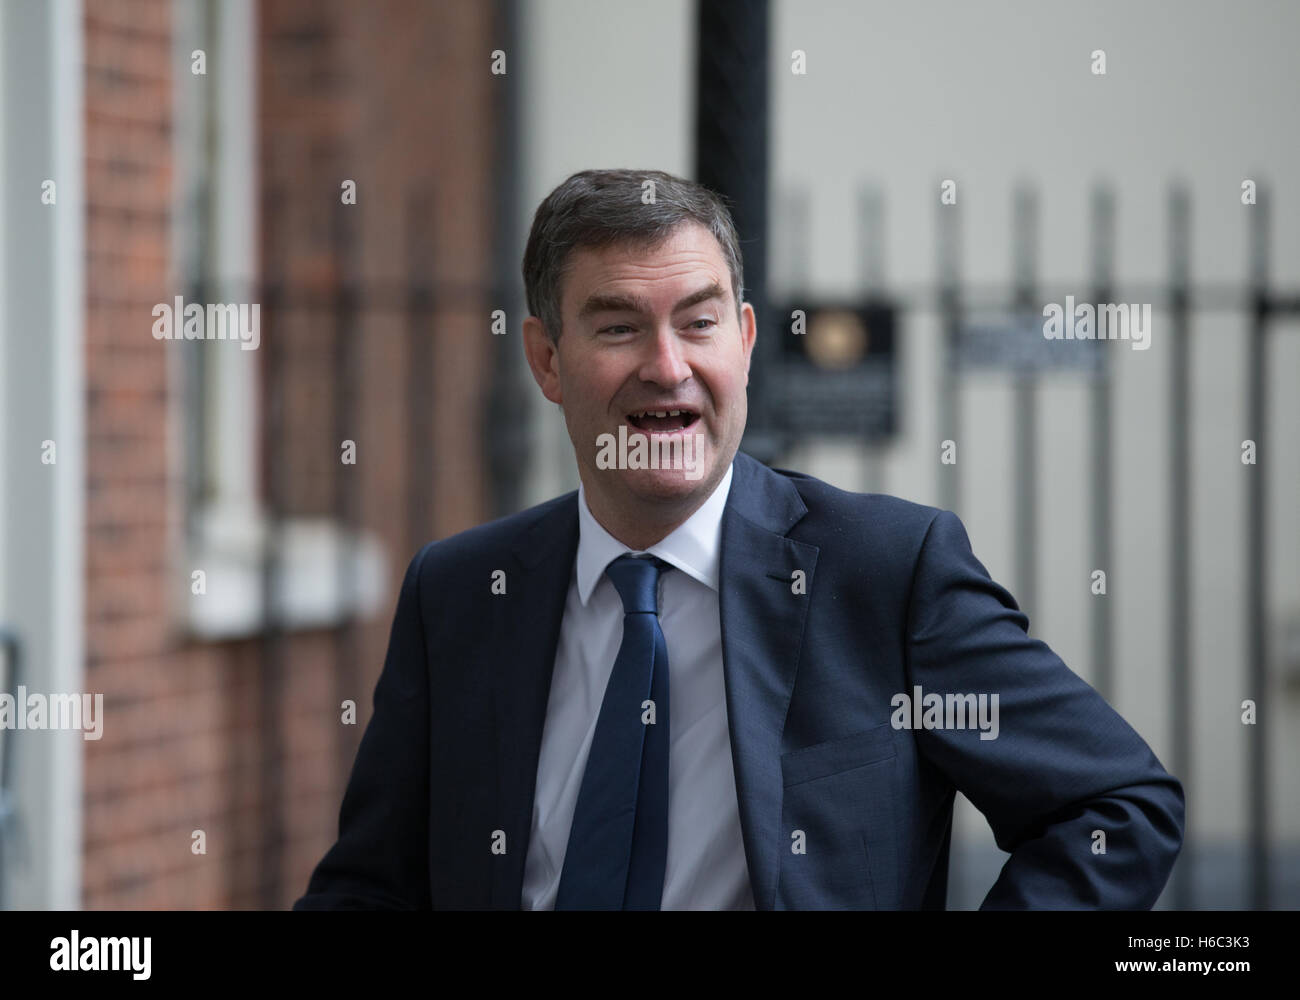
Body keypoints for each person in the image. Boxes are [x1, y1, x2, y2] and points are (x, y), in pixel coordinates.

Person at [293, 168, 1184, 910]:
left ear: (745, 340)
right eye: (617, 326)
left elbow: (1116, 805)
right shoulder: (460, 591)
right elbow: (371, 888)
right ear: (547, 360)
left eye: (698, 320)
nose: (668, 365)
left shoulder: (885, 572)